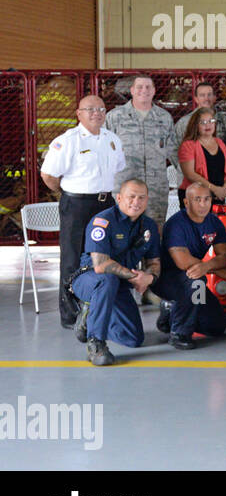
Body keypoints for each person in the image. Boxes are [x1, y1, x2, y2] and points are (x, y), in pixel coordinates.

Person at [40, 95, 125, 330]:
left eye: (101, 108)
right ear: (79, 113)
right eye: (90, 109)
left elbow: (118, 168)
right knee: (73, 258)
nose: (96, 113)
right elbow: (48, 176)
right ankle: (70, 314)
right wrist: (68, 193)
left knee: (105, 255)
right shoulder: (67, 141)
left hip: (105, 204)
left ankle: (101, 307)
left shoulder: (113, 140)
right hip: (77, 206)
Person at [68, 179, 160, 366]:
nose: (136, 202)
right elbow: (101, 265)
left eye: (141, 197)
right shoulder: (103, 221)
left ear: (147, 199)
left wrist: (149, 277)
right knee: (107, 280)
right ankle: (96, 343)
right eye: (131, 197)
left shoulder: (149, 226)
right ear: (119, 198)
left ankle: (90, 318)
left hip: (118, 285)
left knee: (133, 339)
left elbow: (154, 262)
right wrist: (136, 277)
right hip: (90, 281)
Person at [153, 184, 226, 349]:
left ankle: (171, 312)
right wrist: (214, 269)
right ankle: (180, 333)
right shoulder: (176, 224)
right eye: (197, 200)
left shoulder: (214, 222)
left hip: (193, 274)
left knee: (216, 327)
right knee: (197, 281)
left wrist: (209, 266)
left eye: (207, 199)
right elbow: (182, 262)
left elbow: (225, 257)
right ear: (186, 202)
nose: (203, 204)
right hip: (166, 278)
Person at [103, 74, 177, 228]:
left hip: (155, 190)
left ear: (154, 91)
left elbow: (174, 152)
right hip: (125, 188)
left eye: (148, 87)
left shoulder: (164, 118)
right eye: (139, 87)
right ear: (131, 90)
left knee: (155, 230)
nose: (144, 90)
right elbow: (103, 152)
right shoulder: (114, 117)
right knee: (122, 229)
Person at [174, 81, 226, 201]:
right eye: (202, 95)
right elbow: (175, 150)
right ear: (196, 98)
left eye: (209, 95)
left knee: (215, 217)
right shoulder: (184, 123)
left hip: (217, 182)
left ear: (215, 97)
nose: (206, 98)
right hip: (191, 183)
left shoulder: (225, 122)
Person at [177, 106, 226, 206]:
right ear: (195, 125)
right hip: (196, 197)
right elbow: (190, 174)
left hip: (218, 196)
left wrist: (224, 189)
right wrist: (214, 189)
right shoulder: (188, 145)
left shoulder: (220, 143)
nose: (208, 125)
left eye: (211, 121)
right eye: (203, 122)